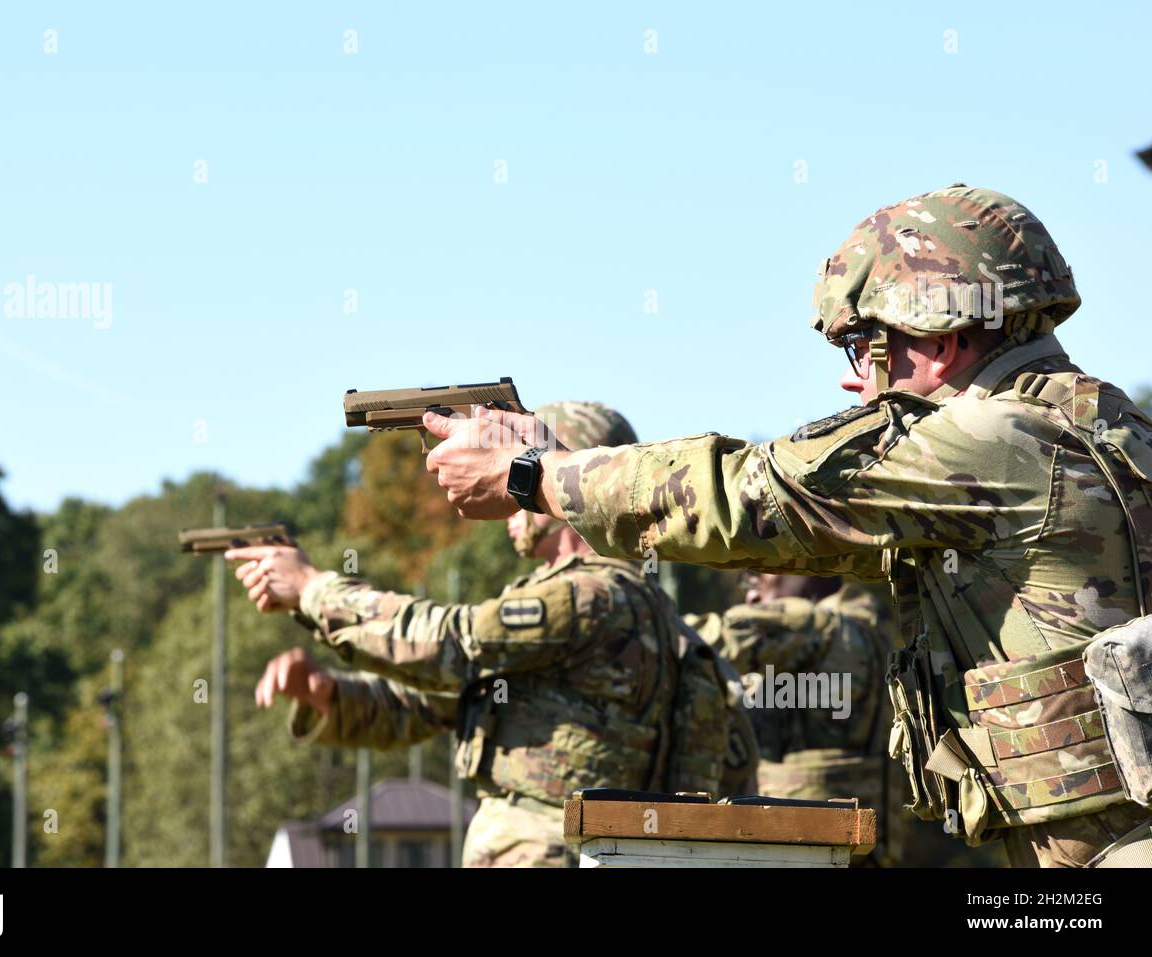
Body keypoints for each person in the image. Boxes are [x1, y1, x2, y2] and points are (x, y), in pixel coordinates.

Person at [421, 184, 1152, 868]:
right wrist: (566, 469)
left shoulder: (986, 438)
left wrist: (533, 476)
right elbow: (803, 521)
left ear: (938, 341)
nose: (853, 379)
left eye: (862, 346)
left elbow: (752, 494)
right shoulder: (1111, 426)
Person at [229, 402, 733, 867]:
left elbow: (451, 646)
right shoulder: (640, 608)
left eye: (525, 457)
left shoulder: (589, 597)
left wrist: (314, 589)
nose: (510, 486)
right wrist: (325, 693)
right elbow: (432, 702)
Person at [688, 573, 899, 863]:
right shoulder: (871, 626)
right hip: (864, 848)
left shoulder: (821, 629)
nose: (752, 596)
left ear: (805, 571)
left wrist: (648, 610)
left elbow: (710, 642)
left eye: (756, 579)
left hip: (804, 845)